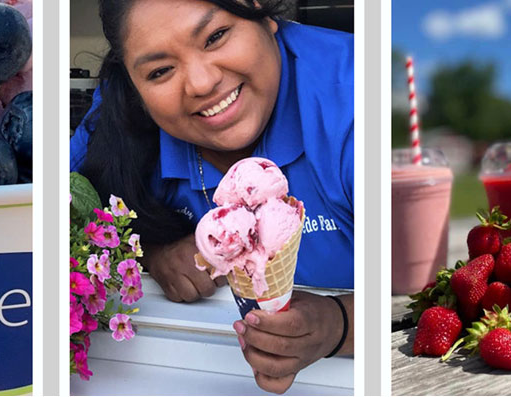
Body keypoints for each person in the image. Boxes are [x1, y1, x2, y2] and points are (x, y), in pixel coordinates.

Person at [69, 0, 354, 393]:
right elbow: (62, 222)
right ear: (133, 85)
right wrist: (148, 249)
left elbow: (420, 291)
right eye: (160, 71)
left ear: (263, 13)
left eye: (215, 36)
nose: (201, 83)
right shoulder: (116, 120)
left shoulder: (357, 101)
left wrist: (339, 325)